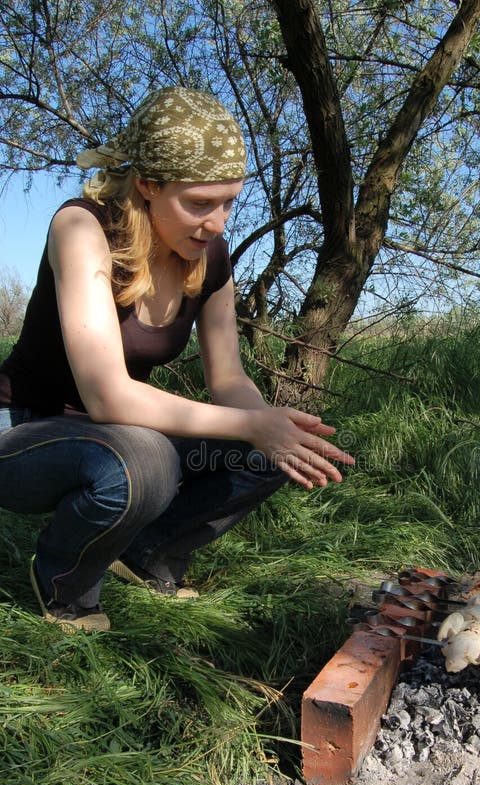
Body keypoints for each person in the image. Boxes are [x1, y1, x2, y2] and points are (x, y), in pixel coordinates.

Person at [0, 86, 354, 632]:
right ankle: (64, 584)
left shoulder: (210, 256)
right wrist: (251, 425)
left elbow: (228, 378)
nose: (218, 222)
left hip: (114, 432)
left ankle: (149, 554)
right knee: (146, 461)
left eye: (228, 202)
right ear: (148, 184)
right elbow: (107, 396)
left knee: (268, 450)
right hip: (24, 431)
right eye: (200, 203)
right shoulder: (82, 228)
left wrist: (270, 428)